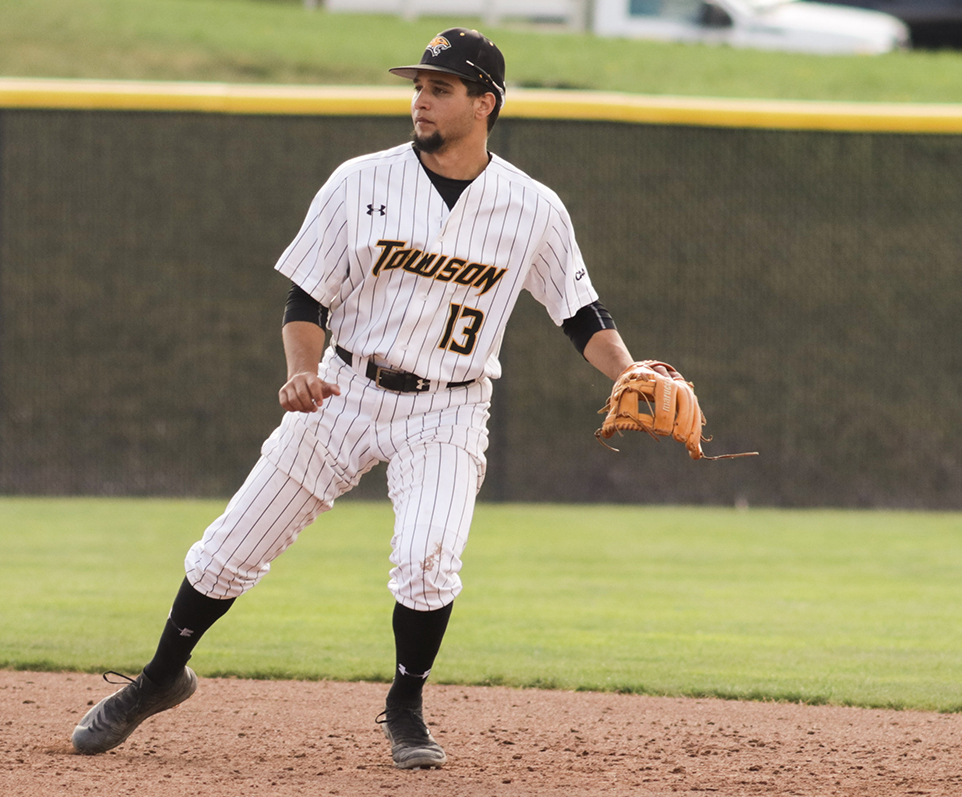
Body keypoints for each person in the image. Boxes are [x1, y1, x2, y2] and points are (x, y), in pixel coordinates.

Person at [71, 27, 659, 770]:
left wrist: (626, 371)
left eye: (439, 89)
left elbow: (579, 312)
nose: (420, 99)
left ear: (485, 102)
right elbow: (305, 297)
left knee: (427, 558)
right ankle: (159, 678)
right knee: (224, 555)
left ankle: (404, 702)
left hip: (446, 406)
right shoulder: (360, 181)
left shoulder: (532, 207)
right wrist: (300, 368)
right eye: (417, 85)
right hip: (341, 390)